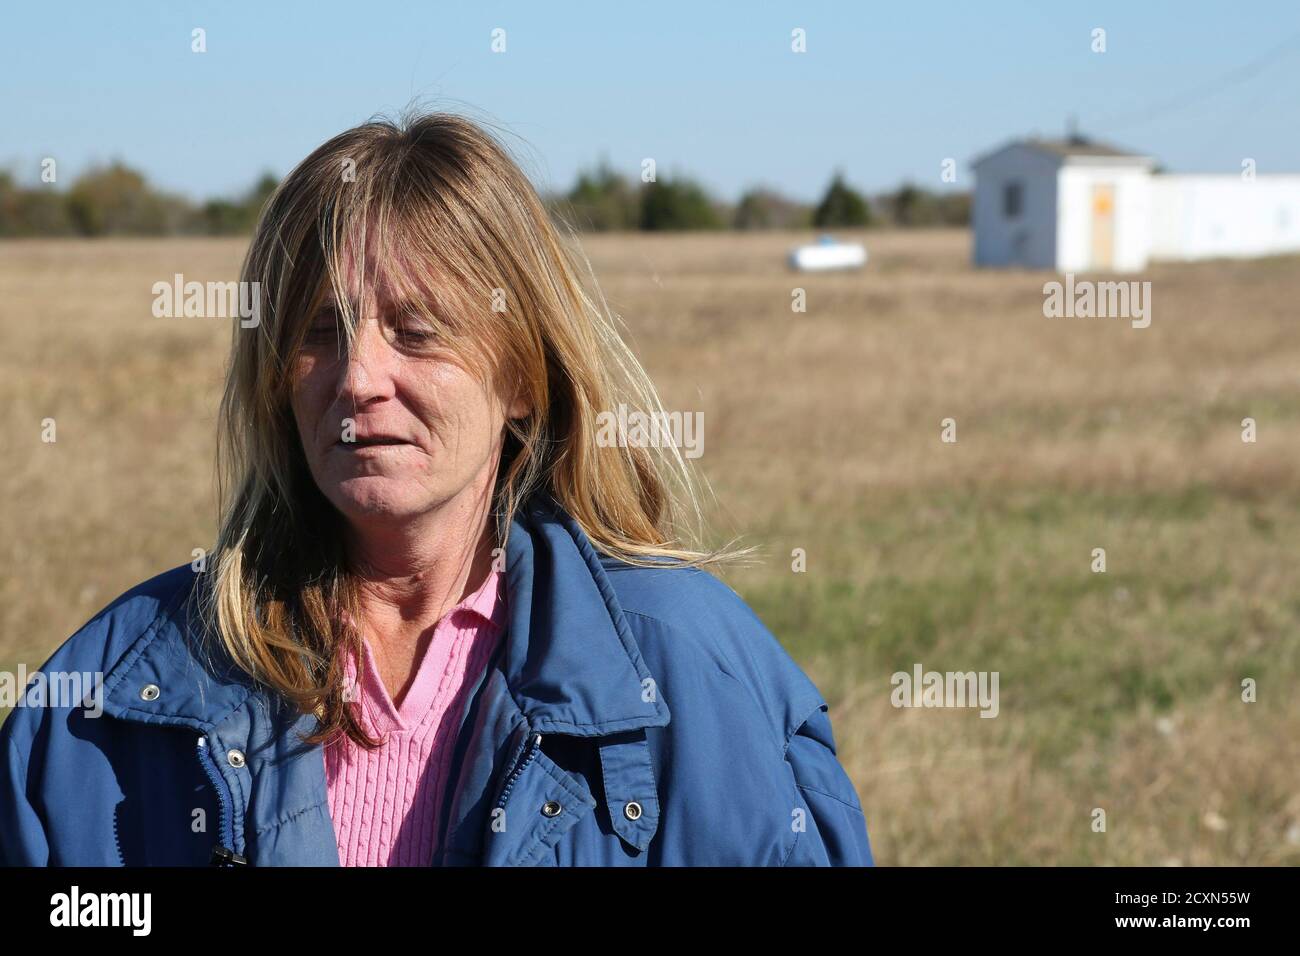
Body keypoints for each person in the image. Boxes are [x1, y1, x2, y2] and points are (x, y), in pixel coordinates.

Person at [0, 112, 872, 866]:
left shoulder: (690, 673)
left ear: (523, 376)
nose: (358, 379)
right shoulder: (100, 703)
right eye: (319, 333)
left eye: (416, 331)